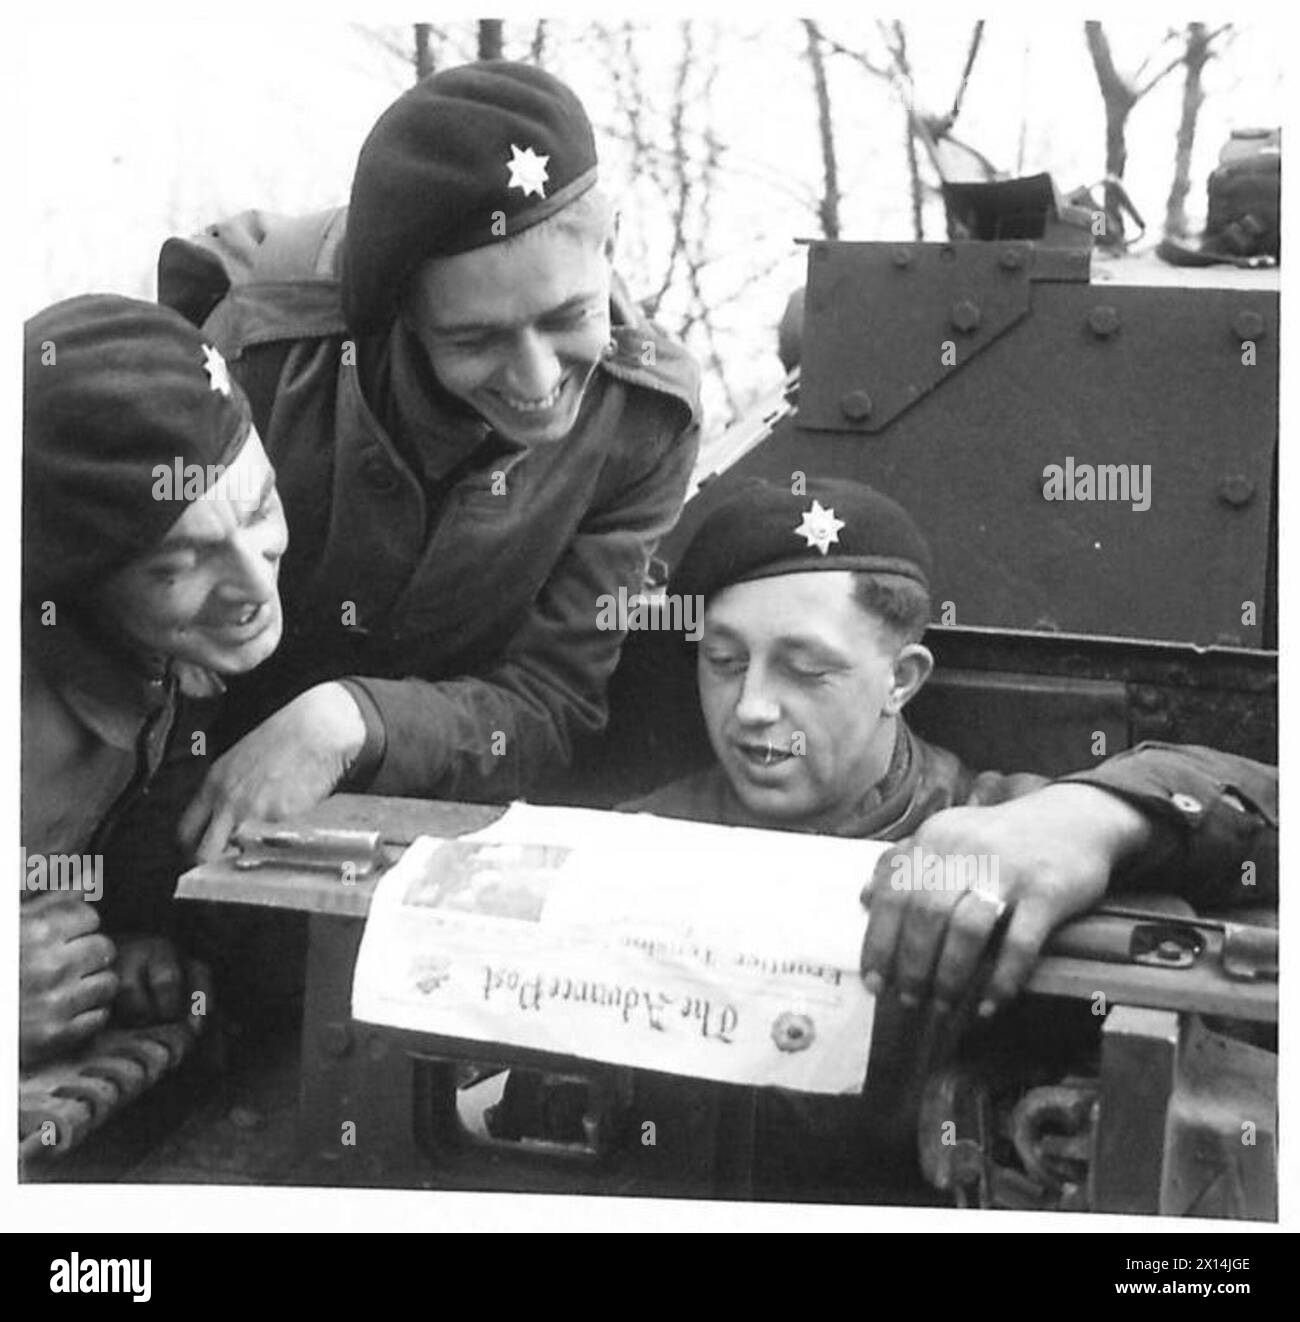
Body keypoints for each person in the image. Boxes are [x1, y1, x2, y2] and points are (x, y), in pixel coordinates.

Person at [153, 60, 701, 862]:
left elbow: (549, 706)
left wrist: (352, 719)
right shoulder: (261, 351)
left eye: (567, 317)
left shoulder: (644, 421)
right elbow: (143, 637)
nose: (539, 381)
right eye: (473, 340)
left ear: (609, 245)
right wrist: (141, 898)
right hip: (192, 797)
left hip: (429, 815)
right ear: (399, 319)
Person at [626, 475, 1277, 1018]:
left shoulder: (1006, 830)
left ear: (900, 680)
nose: (752, 708)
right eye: (723, 660)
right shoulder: (631, 841)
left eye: (806, 669)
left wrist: (1102, 818)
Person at [21, 294, 289, 1066]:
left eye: (262, 508)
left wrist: (110, 938)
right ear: (75, 586)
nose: (253, 587)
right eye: (178, 565)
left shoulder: (162, 662)